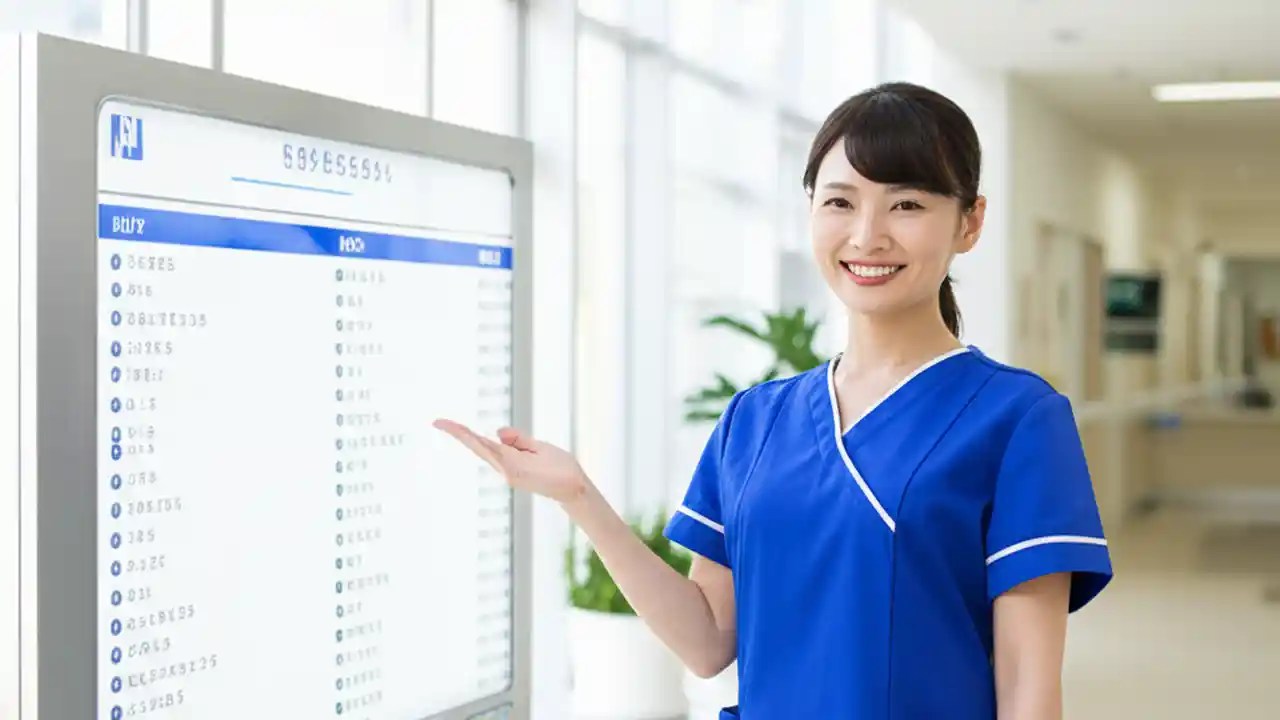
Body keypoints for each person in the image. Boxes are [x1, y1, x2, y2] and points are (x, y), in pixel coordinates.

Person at [435, 81, 1113, 719]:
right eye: (840, 201)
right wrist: (579, 496)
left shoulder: (1018, 419)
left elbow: (1028, 686)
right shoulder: (754, 421)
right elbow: (706, 642)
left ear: (969, 223)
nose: (867, 234)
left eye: (907, 204)